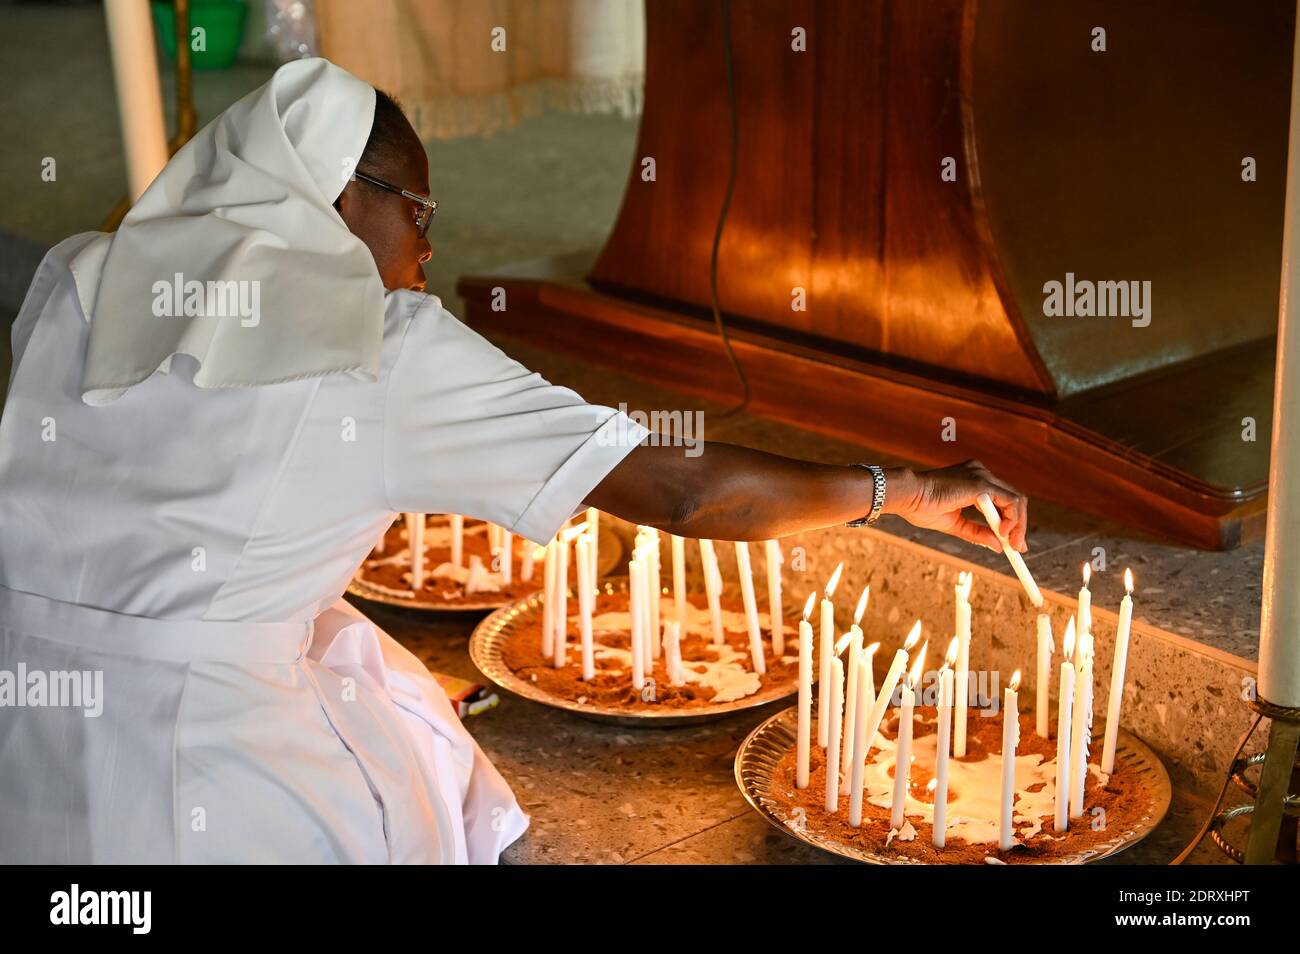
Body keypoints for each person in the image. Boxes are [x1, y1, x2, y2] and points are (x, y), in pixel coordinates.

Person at [0, 59, 1027, 864]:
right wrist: (904, 491)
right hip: (217, 780)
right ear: (348, 195)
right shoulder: (377, 343)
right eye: (420, 210)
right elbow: (684, 488)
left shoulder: (83, 280)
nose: (427, 247)